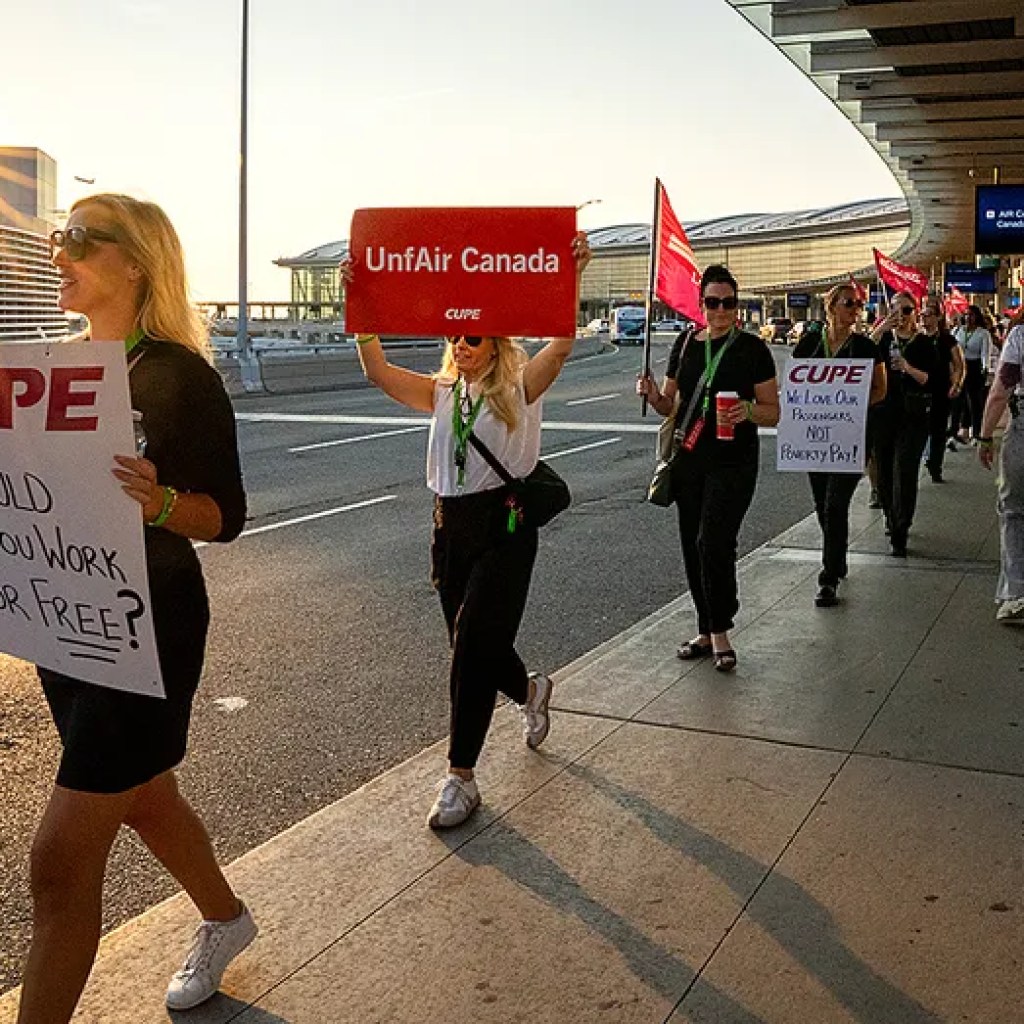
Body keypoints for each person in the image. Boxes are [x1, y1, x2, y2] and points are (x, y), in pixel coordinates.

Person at [20, 194, 254, 1023]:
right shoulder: (44, 369)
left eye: (81, 240)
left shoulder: (177, 376)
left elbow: (225, 517)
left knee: (58, 858)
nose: (61, 254)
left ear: (135, 261)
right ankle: (228, 920)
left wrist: (158, 506)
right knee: (146, 796)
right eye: (59, 238)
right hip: (61, 622)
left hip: (147, 626)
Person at [340, 232, 591, 829]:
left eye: (473, 337)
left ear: (495, 342)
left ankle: (461, 777)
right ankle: (530, 693)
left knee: (473, 643)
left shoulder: (517, 389)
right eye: (456, 336)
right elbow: (376, 370)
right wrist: (361, 307)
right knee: (470, 647)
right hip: (448, 528)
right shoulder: (442, 391)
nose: (462, 345)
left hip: (503, 525)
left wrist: (572, 278)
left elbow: (559, 346)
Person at [637, 265, 780, 671]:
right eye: (713, 302)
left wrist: (748, 410)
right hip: (689, 460)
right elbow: (671, 405)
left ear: (738, 306)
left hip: (734, 463)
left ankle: (719, 631)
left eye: (728, 303)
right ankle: (706, 628)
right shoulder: (684, 344)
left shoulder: (752, 349)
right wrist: (651, 395)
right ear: (701, 305)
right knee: (692, 547)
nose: (720, 310)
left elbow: (774, 413)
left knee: (713, 542)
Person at [792, 284, 886, 606]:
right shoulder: (808, 345)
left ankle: (828, 578)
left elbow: (880, 389)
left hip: (850, 439)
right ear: (831, 306)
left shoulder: (864, 346)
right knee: (823, 507)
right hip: (816, 440)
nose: (855, 309)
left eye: (858, 304)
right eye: (849, 303)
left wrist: (851, 407)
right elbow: (796, 387)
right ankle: (838, 556)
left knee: (835, 504)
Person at [869, 291, 935, 557]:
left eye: (907, 311)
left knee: (904, 471)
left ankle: (901, 528)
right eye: (896, 311)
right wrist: (880, 329)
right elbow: (858, 356)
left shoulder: (923, 344)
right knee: (884, 471)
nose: (902, 317)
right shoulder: (883, 339)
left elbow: (931, 380)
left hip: (913, 416)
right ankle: (889, 514)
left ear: (915, 312)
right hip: (884, 413)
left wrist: (907, 367)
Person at [979, 312, 1024, 623]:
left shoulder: (1020, 336)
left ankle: (1017, 593)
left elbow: (1000, 391)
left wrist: (985, 436)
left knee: (1014, 510)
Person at [920, 298, 964, 483]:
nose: (924, 319)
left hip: (940, 389)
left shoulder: (947, 339)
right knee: (920, 429)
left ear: (938, 317)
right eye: (922, 315)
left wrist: (957, 384)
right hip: (919, 390)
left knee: (938, 430)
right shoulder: (917, 338)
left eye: (928, 315)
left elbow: (959, 364)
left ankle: (935, 465)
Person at [953, 305, 992, 442]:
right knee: (958, 401)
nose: (968, 318)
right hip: (959, 366)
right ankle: (958, 431)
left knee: (975, 402)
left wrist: (985, 369)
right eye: (966, 315)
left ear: (977, 317)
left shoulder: (983, 333)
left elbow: (985, 353)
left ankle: (977, 433)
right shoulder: (957, 331)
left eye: (971, 315)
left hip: (975, 368)